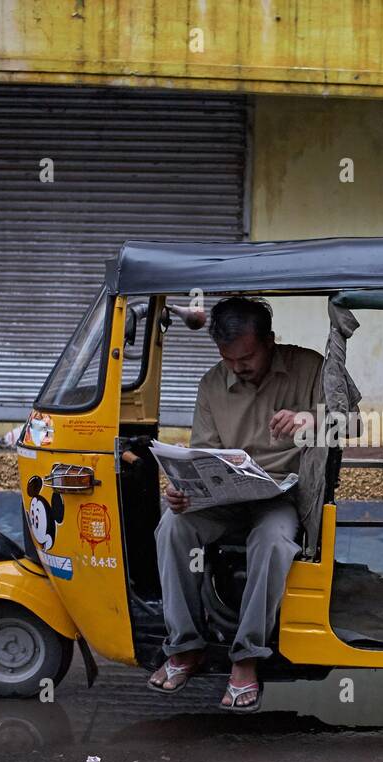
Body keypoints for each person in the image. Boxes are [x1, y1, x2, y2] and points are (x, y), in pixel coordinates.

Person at [148, 296, 323, 711]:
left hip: (278, 495)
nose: (238, 367)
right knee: (172, 525)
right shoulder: (211, 384)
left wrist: (312, 420)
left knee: (275, 542)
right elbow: (203, 454)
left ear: (270, 341)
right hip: (225, 496)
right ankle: (186, 646)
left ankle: (246, 657)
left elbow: (356, 423)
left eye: (246, 357)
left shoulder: (309, 367)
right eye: (228, 359)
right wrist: (183, 489)